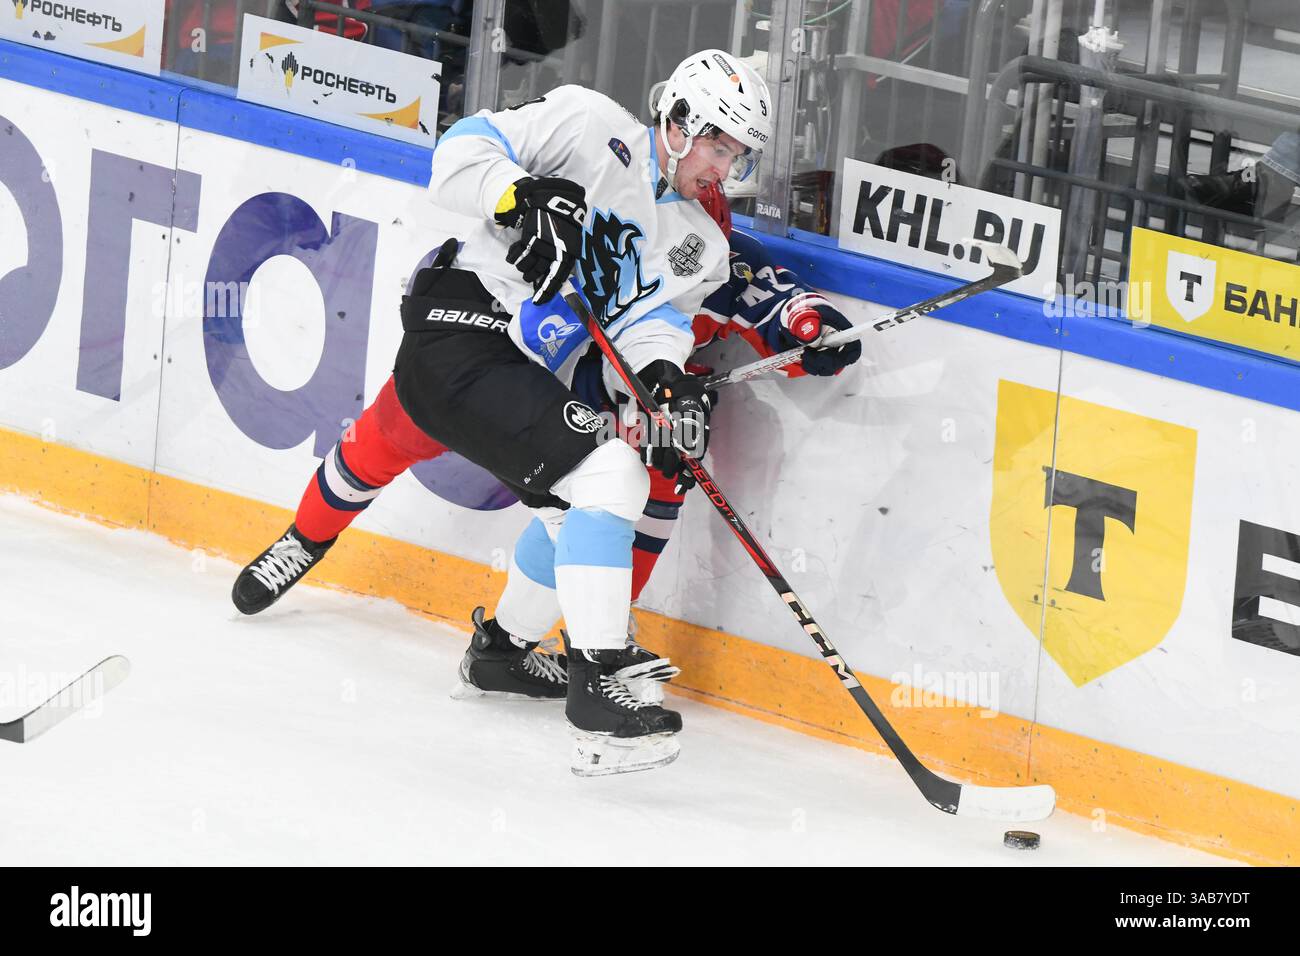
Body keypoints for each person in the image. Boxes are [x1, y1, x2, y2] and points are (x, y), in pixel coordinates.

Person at [232, 50, 858, 775]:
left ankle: (503, 653)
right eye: (718, 144)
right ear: (679, 122)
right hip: (463, 327)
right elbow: (459, 150)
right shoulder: (589, 126)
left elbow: (650, 319)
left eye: (737, 154)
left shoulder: (700, 241)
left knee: (586, 501)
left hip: (526, 375)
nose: (725, 167)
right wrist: (514, 194)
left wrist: (662, 374)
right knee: (436, 446)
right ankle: (595, 683)